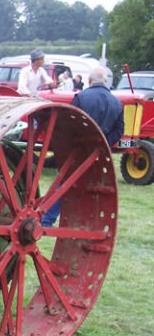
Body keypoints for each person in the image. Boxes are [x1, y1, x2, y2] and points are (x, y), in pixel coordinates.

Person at [41, 66, 124, 227]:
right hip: (100, 153)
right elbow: (120, 130)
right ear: (105, 82)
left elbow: (70, 124)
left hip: (79, 150)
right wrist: (103, 142)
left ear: (89, 81)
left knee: (64, 183)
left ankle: (46, 219)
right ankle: (86, 224)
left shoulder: (82, 97)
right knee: (92, 188)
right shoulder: (117, 103)